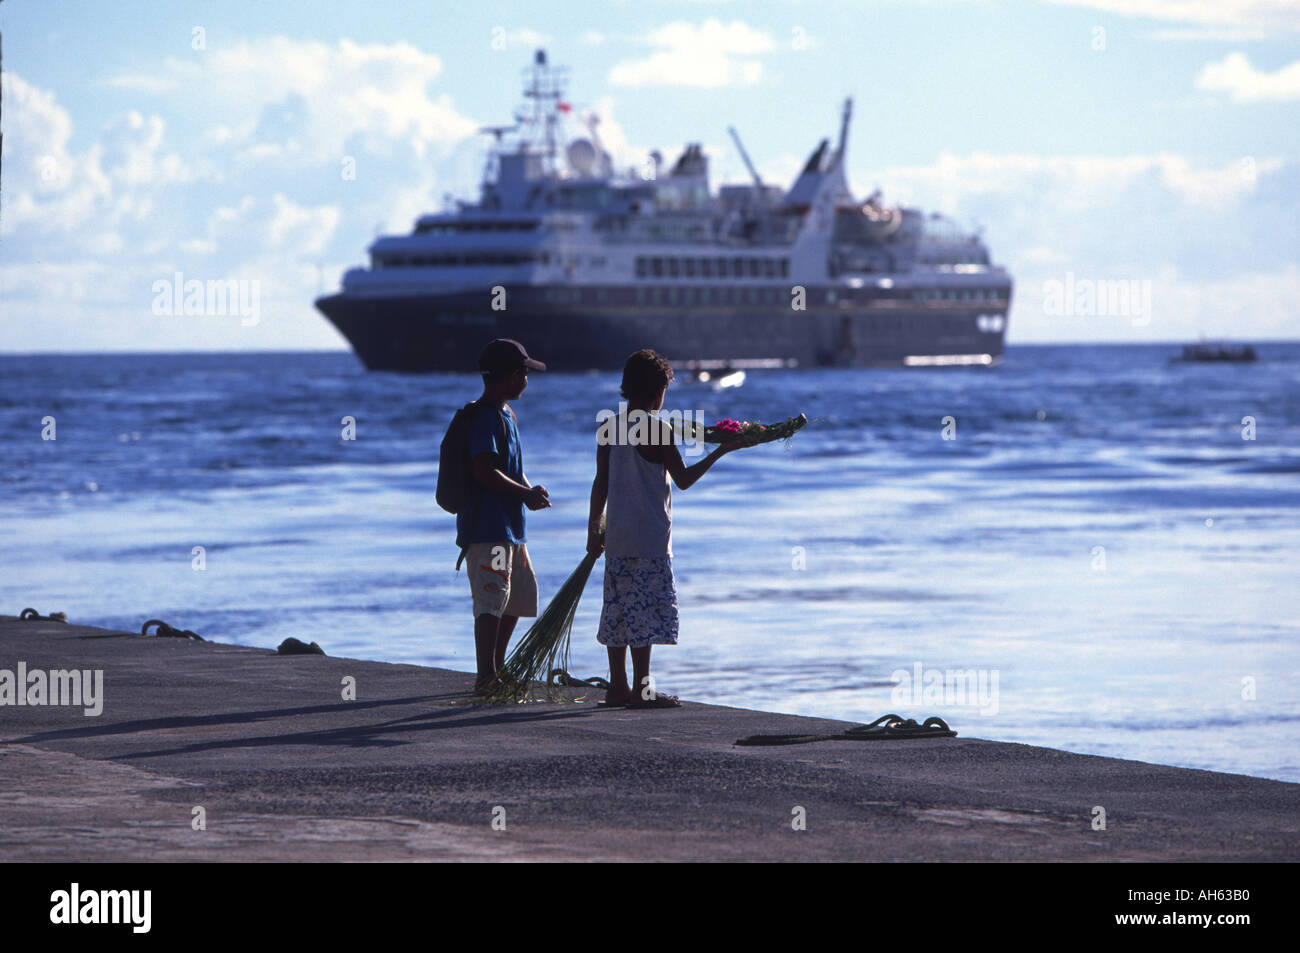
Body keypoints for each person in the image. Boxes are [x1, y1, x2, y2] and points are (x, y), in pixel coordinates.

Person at [586, 348, 747, 708]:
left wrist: (593, 530)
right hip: (649, 538)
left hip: (617, 537)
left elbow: (600, 483)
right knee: (644, 611)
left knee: (619, 610)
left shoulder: (608, 427)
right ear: (657, 390)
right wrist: (720, 452)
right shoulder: (658, 429)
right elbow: (684, 479)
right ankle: (642, 689)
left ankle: (618, 687)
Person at [459, 339, 551, 694]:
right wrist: (523, 493)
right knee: (491, 600)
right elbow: (483, 470)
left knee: (519, 597)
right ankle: (486, 677)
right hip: (487, 528)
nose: (527, 379)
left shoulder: (507, 415)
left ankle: (496, 668)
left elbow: (510, 468)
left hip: (512, 529)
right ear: (514, 376)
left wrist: (530, 491)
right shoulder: (483, 417)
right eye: (525, 372)